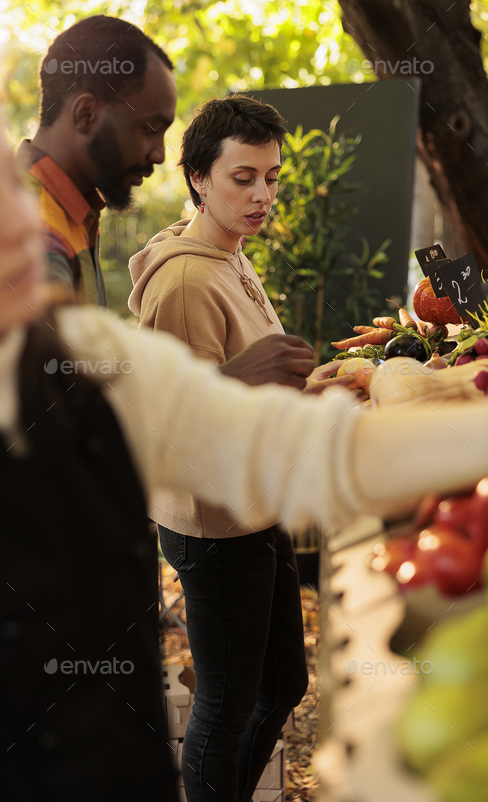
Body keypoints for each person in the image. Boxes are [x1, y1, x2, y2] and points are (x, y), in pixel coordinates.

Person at [0, 51, 488, 801]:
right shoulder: (178, 280)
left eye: (4, 182)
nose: (16, 227)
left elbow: (300, 449)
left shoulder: (84, 354)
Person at [127, 95, 339, 802]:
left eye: (272, 178)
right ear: (198, 177)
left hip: (255, 504)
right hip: (213, 523)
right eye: (243, 177)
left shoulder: (224, 255)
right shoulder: (187, 278)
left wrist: (314, 387)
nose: (262, 195)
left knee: (283, 683)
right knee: (222, 705)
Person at [17, 14, 327, 392]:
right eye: (149, 129)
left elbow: (89, 385)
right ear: (85, 114)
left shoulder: (75, 214)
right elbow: (51, 408)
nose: (161, 155)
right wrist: (233, 379)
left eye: (272, 178)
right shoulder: (28, 229)